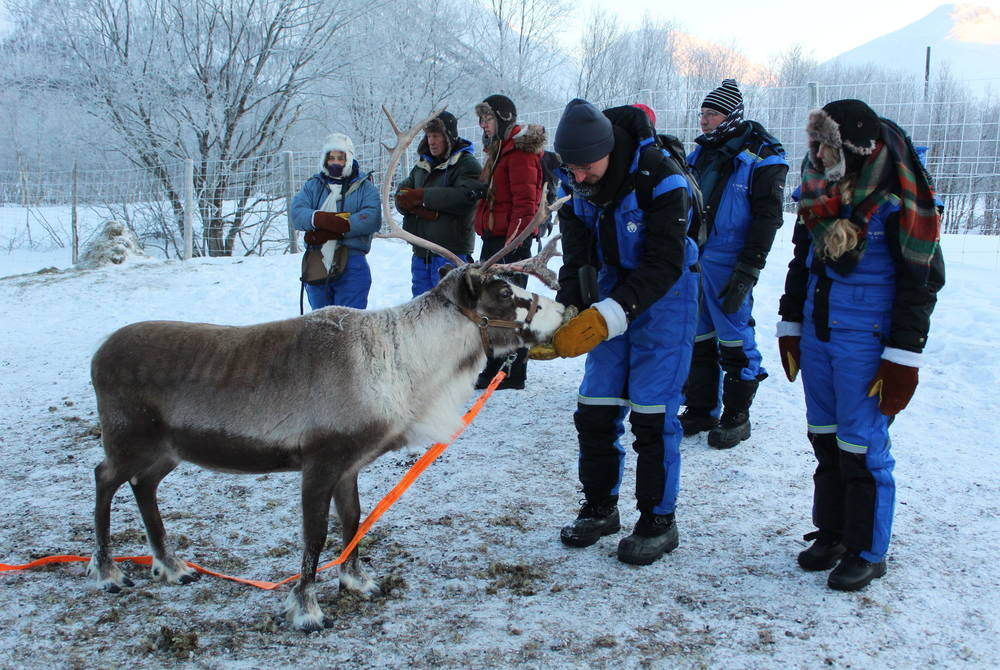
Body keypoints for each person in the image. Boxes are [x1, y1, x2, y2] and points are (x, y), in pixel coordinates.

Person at [778, 99, 945, 591]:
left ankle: (867, 550)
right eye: (815, 146)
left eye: (827, 148)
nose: (818, 157)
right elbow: (801, 261)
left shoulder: (897, 201)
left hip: (867, 343)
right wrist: (791, 321)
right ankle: (832, 532)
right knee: (825, 438)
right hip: (819, 334)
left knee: (862, 446)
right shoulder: (817, 193)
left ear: (854, 149)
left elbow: (921, 284)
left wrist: (904, 356)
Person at [535, 99, 700, 566]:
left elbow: (664, 263)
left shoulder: (661, 179)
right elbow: (578, 257)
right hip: (609, 292)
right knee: (595, 408)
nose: (578, 177)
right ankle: (600, 507)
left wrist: (607, 316)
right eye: (571, 169)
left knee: (652, 414)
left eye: (586, 167)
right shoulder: (576, 182)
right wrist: (568, 312)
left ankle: (658, 521)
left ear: (607, 150)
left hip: (666, 298)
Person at [679, 79, 789, 449]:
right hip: (697, 257)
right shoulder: (700, 153)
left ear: (731, 116)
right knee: (698, 335)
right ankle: (701, 408)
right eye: (702, 113)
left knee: (734, 334)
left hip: (731, 259)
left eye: (712, 114)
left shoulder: (762, 155)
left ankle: (737, 416)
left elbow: (768, 217)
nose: (704, 120)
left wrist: (749, 268)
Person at [472, 94, 547, 391]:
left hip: (510, 242)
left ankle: (509, 372)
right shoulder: (500, 150)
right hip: (496, 238)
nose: (483, 124)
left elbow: (526, 203)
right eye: (481, 119)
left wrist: (514, 244)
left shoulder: (519, 153)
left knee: (507, 307)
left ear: (503, 119)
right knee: (494, 305)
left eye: (488, 118)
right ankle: (498, 367)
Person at [394, 111, 483, 297]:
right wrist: (419, 205)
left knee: (450, 307)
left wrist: (422, 197)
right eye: (428, 136)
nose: (431, 142)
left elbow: (464, 198)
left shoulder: (467, 164)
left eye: (436, 136)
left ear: (449, 137)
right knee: (420, 307)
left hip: (450, 253)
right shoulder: (421, 166)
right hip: (421, 253)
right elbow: (401, 195)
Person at [291, 132, 381, 310]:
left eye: (340, 158)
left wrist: (340, 226)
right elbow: (297, 213)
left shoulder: (364, 187)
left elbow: (372, 218)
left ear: (349, 159)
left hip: (352, 260)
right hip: (318, 260)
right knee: (321, 320)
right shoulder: (313, 185)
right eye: (331, 158)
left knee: (350, 320)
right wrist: (319, 218)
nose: (335, 162)